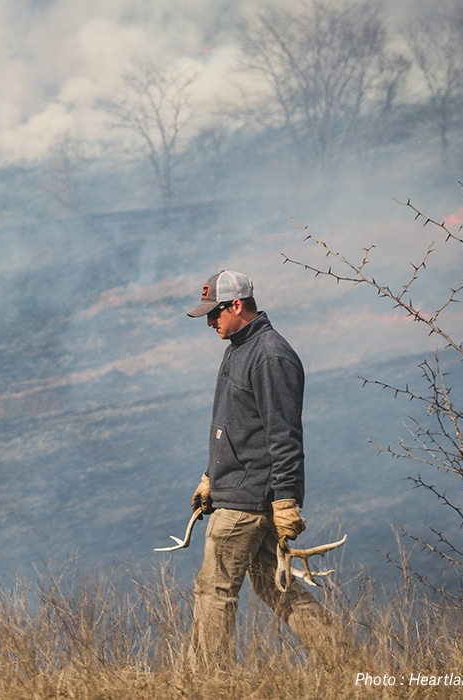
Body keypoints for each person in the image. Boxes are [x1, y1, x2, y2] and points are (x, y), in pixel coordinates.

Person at [184, 269, 349, 670]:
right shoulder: (240, 346)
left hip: (247, 500)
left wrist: (287, 499)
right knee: (277, 586)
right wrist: (211, 476)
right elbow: (235, 425)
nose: (209, 321)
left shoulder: (270, 356)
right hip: (237, 490)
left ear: (236, 305)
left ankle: (209, 681)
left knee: (213, 590)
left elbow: (284, 435)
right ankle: (347, 664)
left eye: (214, 312)